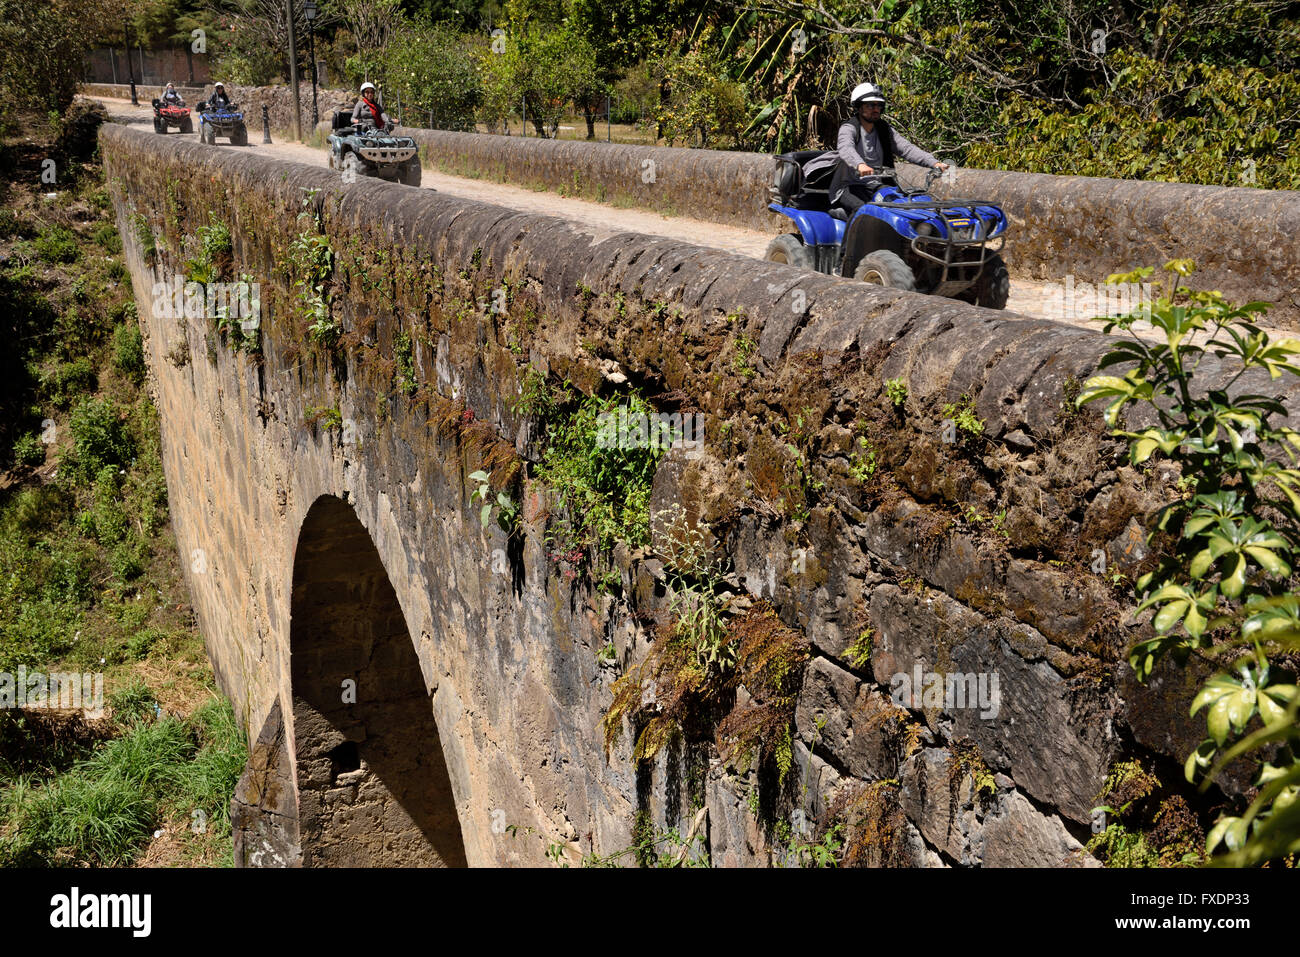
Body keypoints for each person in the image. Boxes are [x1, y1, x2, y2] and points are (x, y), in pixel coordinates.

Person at [826, 83, 949, 218]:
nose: (876, 109)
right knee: (866, 212)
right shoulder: (849, 128)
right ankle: (843, 216)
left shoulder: (884, 129)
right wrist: (859, 164)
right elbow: (845, 148)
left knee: (898, 206)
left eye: (879, 105)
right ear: (859, 107)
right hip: (848, 187)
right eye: (870, 105)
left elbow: (907, 149)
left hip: (876, 185)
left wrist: (934, 163)